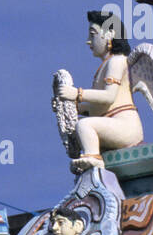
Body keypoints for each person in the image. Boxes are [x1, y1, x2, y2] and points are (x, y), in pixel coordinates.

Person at [56, 11, 144, 172]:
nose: (89, 41)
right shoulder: (105, 65)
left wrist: (77, 94)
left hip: (126, 127)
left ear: (110, 34)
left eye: (93, 34)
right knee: (81, 125)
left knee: (84, 125)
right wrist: (72, 107)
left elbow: (109, 98)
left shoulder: (117, 61)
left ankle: (93, 158)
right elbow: (98, 108)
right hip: (111, 121)